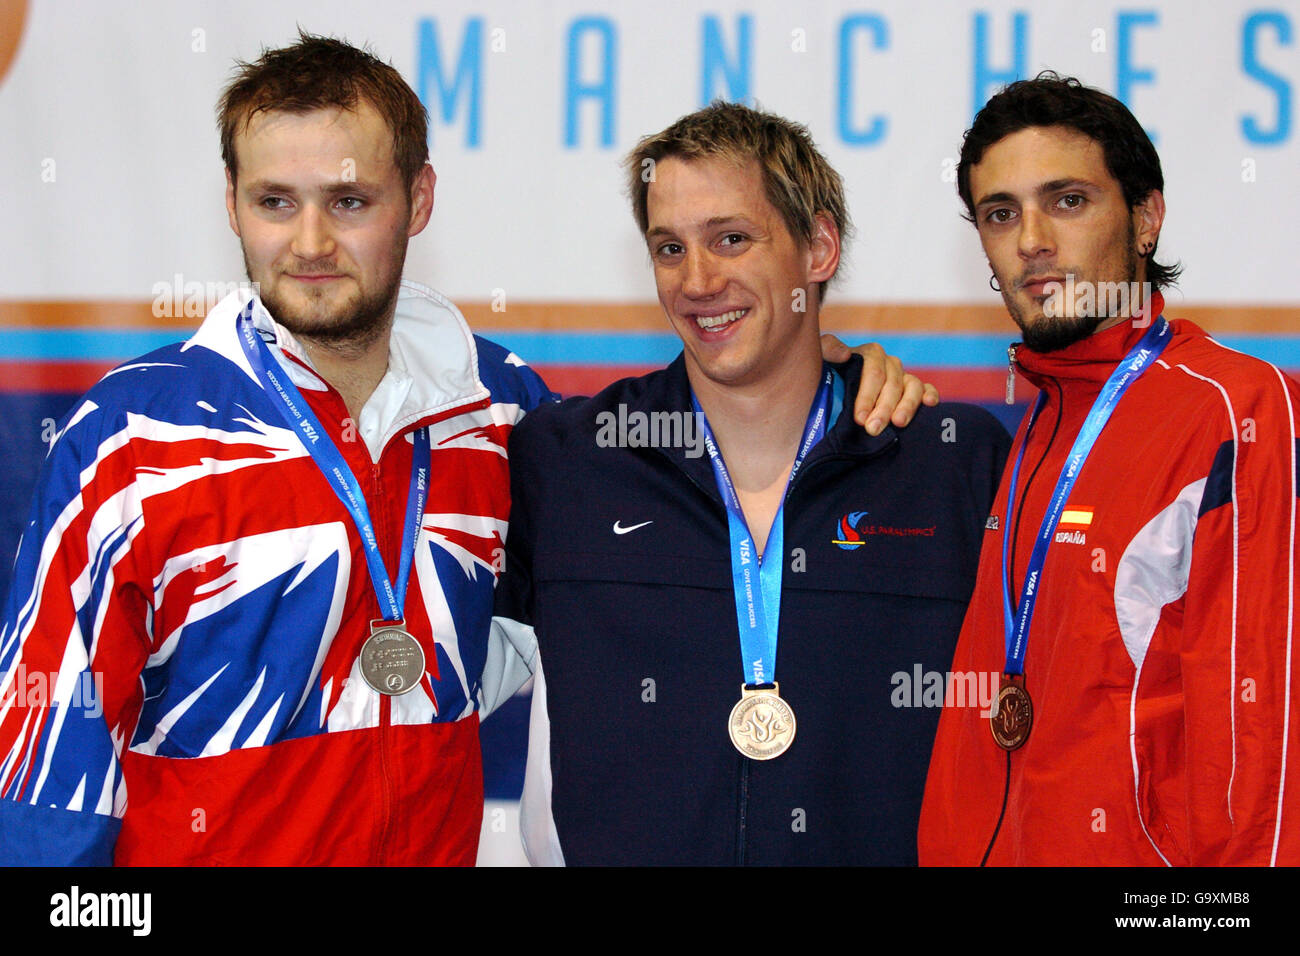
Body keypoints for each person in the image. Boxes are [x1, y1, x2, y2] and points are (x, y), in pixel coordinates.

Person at [0, 35, 924, 866]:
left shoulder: (507, 416)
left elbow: (724, 442)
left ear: (419, 200)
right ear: (233, 208)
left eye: (351, 200)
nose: (311, 243)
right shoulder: (132, 440)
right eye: (275, 201)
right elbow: (44, 786)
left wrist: (834, 368)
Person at [494, 102, 1011, 865]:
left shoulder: (951, 464)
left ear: (819, 247)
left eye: (731, 240)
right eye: (670, 249)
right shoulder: (566, 460)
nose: (698, 281)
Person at [918, 72, 1300, 865]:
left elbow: (1265, 757)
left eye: (1067, 200)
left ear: (1147, 218)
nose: (1031, 240)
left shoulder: (1237, 409)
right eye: (1001, 214)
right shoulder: (1036, 427)